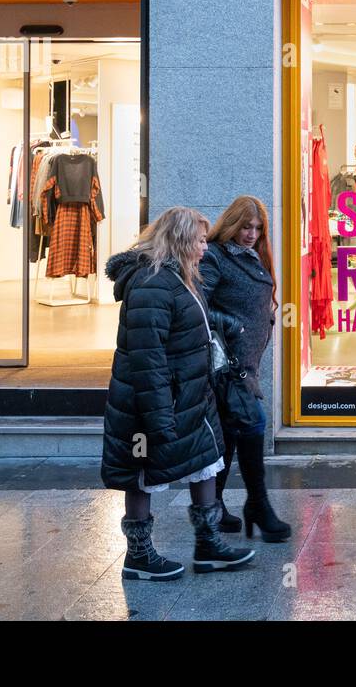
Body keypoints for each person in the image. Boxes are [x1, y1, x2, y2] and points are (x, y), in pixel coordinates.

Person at [102, 206, 255, 580]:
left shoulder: (181, 277)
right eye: (201, 240)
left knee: (205, 461)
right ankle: (138, 557)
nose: (206, 247)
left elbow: (188, 324)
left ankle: (208, 545)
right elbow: (146, 355)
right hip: (155, 402)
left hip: (189, 396)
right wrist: (158, 416)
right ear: (183, 240)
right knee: (142, 473)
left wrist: (224, 326)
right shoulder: (152, 283)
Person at [200, 196, 290, 542]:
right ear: (232, 224)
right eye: (245, 227)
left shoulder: (254, 255)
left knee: (230, 431)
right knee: (253, 421)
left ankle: (216, 504)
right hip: (227, 366)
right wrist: (232, 325)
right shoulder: (216, 257)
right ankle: (257, 504)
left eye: (257, 228)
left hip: (247, 362)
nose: (251, 234)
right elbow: (197, 305)